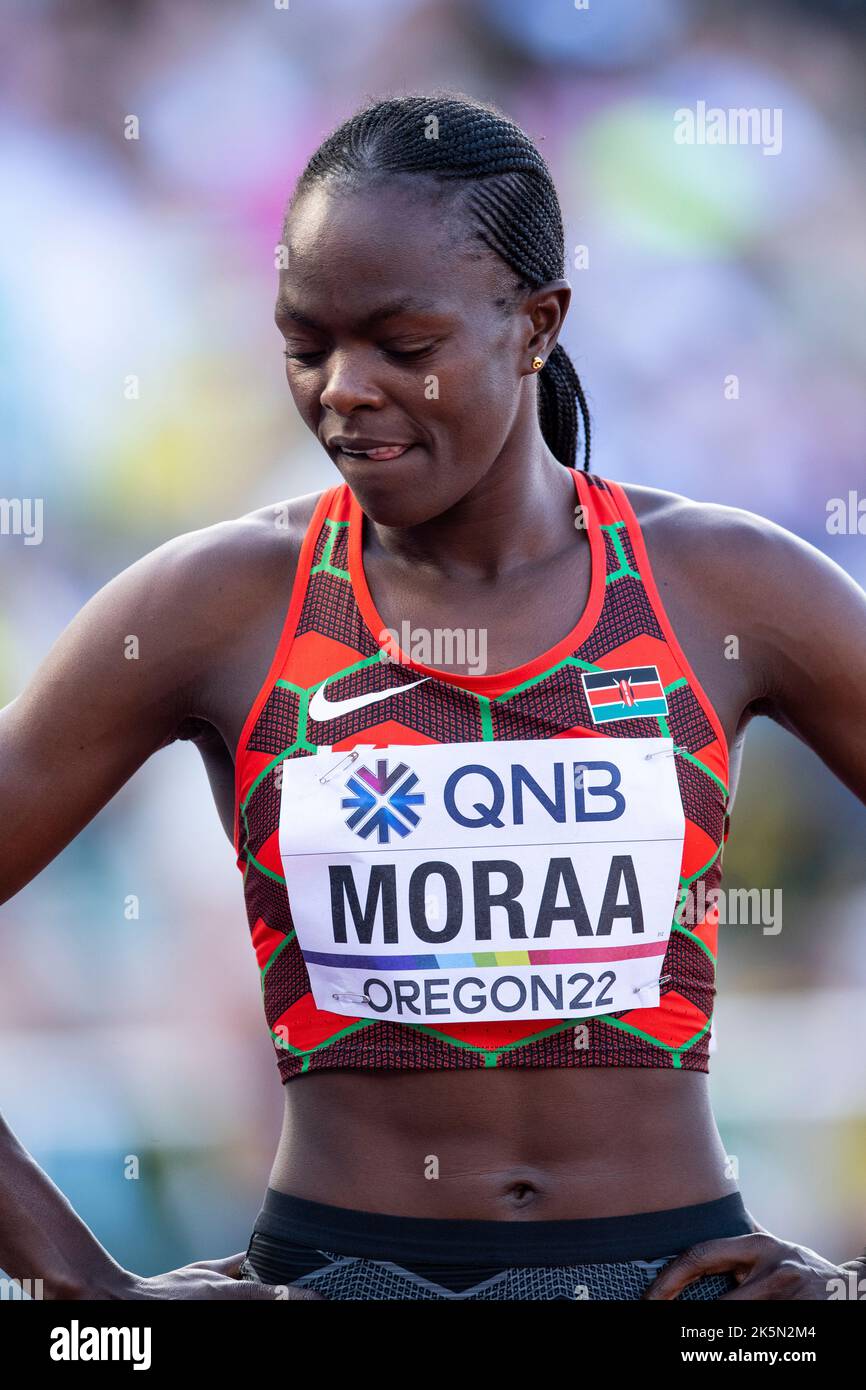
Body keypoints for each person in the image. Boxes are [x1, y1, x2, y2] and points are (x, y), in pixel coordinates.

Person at [2, 92, 865, 1303]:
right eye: (306, 342)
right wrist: (84, 1294)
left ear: (534, 324)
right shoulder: (217, 605)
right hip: (338, 1282)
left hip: (674, 1288)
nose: (344, 390)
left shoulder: (726, 583)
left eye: (404, 346)